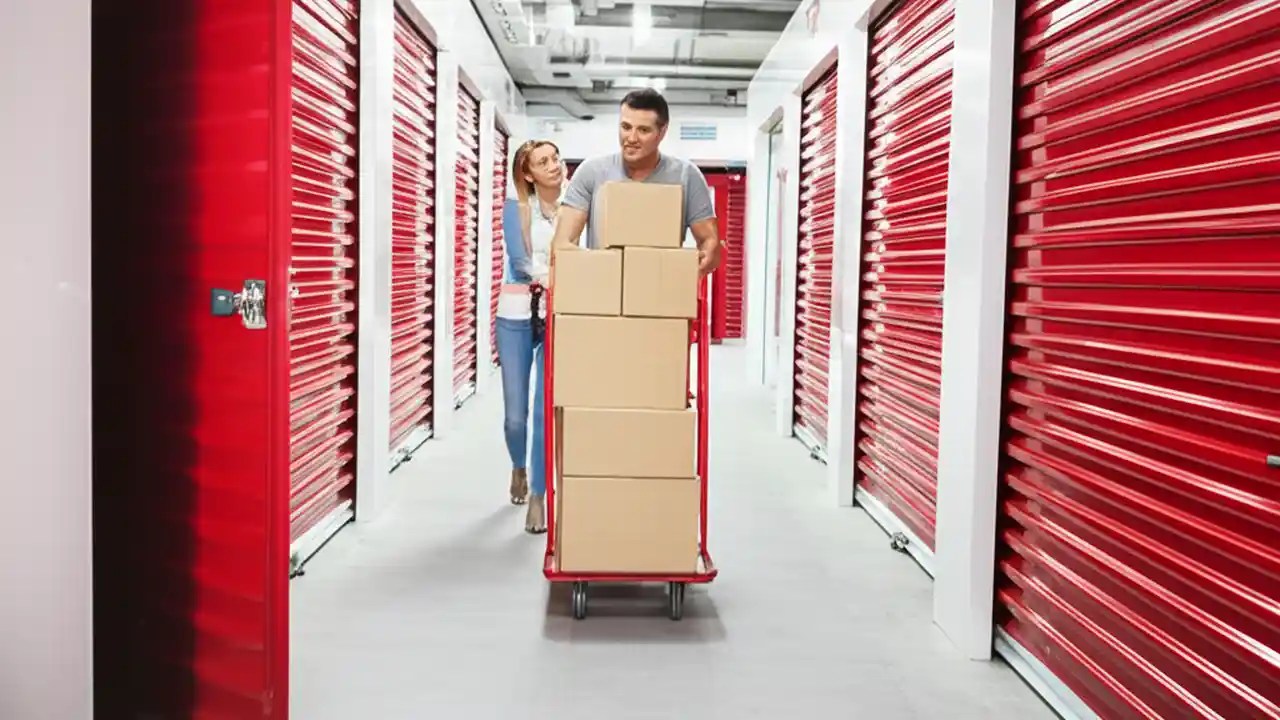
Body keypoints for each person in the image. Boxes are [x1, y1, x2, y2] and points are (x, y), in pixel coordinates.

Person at [549, 88, 723, 275]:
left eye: (643, 130)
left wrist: (704, 259)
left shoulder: (686, 176)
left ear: (662, 132)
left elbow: (710, 243)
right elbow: (562, 244)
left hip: (660, 293)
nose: (631, 138)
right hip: (604, 293)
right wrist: (602, 265)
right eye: (625, 127)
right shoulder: (592, 172)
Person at [495, 139, 574, 534]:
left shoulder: (577, 206)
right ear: (528, 174)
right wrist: (551, 276)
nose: (554, 165)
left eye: (556, 157)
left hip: (557, 316)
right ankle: (518, 467)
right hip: (516, 316)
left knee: (545, 409)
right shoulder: (517, 209)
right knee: (515, 417)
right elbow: (519, 261)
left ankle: (539, 498)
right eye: (543, 162)